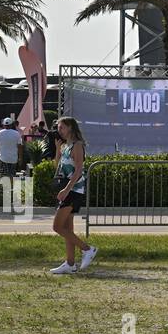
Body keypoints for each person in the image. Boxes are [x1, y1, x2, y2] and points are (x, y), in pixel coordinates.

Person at [51, 117, 97, 275]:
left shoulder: (77, 145)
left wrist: (66, 189)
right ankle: (70, 263)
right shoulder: (65, 146)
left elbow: (78, 171)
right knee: (67, 229)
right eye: (58, 127)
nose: (59, 130)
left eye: (61, 127)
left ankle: (88, 249)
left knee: (57, 227)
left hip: (74, 190)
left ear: (70, 127)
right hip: (68, 190)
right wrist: (58, 150)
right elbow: (57, 167)